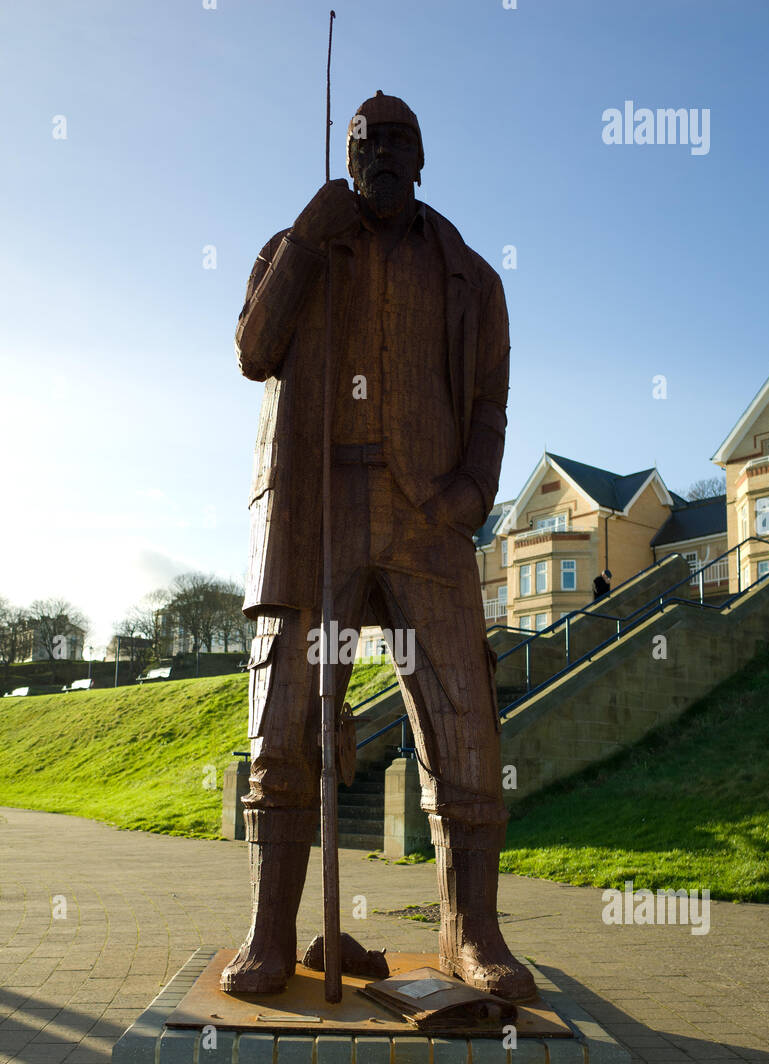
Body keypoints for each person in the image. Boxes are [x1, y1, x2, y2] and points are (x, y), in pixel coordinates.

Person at [222, 92, 535, 1005]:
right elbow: (252, 349)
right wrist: (305, 242)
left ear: (423, 161)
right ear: (347, 155)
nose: (384, 155)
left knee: (465, 721)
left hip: (424, 516)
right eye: (367, 142)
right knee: (283, 717)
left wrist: (472, 495)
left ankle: (470, 931)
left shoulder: (471, 277)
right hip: (313, 510)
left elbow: (489, 405)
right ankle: (271, 933)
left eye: (401, 142)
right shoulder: (298, 248)